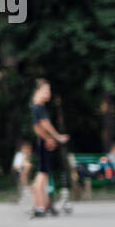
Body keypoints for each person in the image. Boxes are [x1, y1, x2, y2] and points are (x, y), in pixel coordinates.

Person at [29, 79, 69, 217]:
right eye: (46, 90)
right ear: (37, 91)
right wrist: (56, 137)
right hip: (43, 144)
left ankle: (40, 206)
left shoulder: (34, 106)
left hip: (41, 143)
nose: (48, 93)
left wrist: (47, 138)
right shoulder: (39, 107)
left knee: (42, 174)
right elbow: (43, 124)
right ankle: (40, 207)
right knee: (43, 175)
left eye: (49, 90)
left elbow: (36, 128)